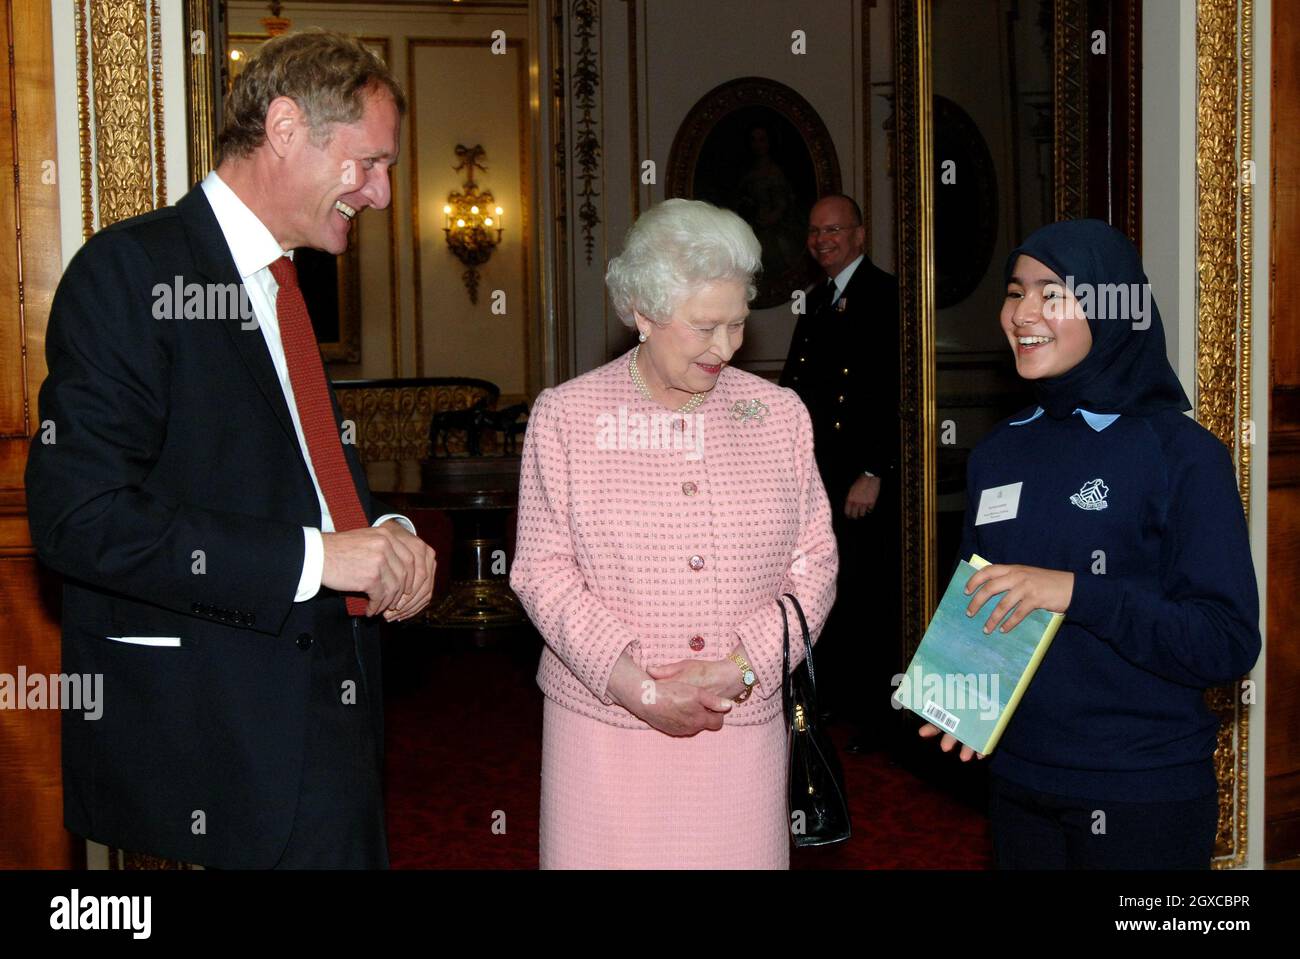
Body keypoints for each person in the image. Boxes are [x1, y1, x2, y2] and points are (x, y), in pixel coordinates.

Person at [24, 31, 437, 869]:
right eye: (369, 162)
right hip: (214, 746)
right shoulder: (130, 272)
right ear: (286, 128)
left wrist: (382, 534)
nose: (384, 194)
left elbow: (295, 477)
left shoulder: (282, 282)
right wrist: (320, 559)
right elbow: (81, 519)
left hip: (330, 717)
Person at [920, 218, 1261, 869]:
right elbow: (985, 600)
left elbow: (1226, 641)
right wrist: (961, 689)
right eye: (1015, 291)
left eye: (1052, 293)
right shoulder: (999, 452)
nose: (1022, 313)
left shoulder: (1183, 455)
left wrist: (1076, 591)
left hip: (1142, 792)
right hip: (1019, 783)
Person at [510, 198, 838, 869]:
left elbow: (817, 563)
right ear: (643, 312)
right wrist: (638, 685)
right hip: (605, 732)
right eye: (705, 327)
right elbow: (540, 571)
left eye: (739, 324)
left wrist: (741, 666)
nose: (726, 347)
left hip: (738, 728)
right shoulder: (568, 416)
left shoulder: (777, 415)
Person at [781, 194, 900, 752]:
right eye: (814, 231)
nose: (822, 239)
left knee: (868, 592)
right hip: (818, 472)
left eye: (834, 229)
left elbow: (894, 391)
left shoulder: (886, 294)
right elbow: (796, 386)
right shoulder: (813, 299)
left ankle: (877, 717)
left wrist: (875, 469)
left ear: (859, 236)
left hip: (861, 474)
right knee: (825, 585)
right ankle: (831, 697)